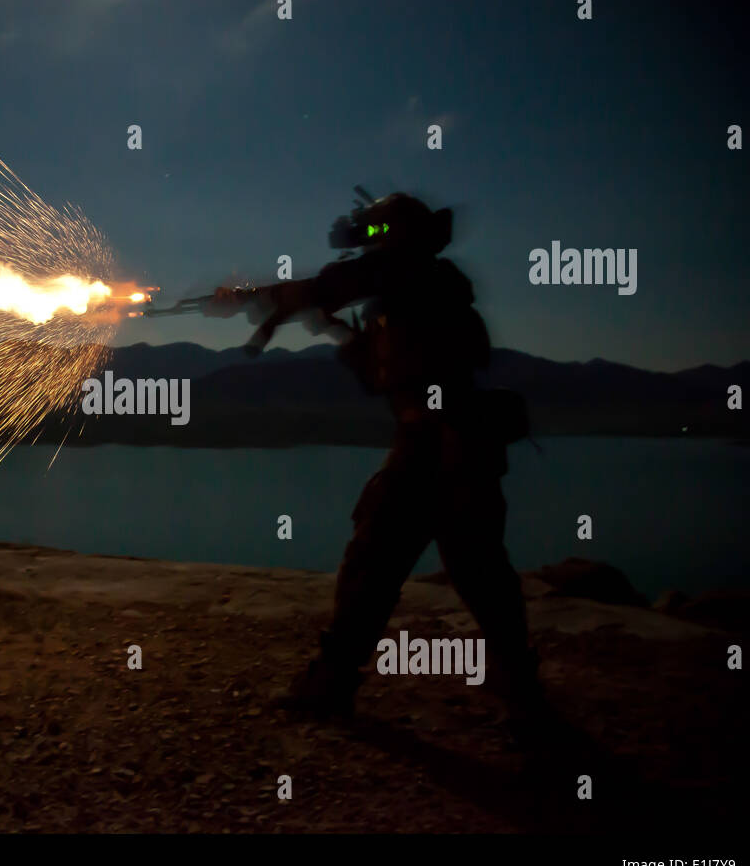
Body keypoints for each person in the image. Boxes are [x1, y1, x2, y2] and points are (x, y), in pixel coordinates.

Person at [214, 193, 546, 732]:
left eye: (376, 233)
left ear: (398, 236)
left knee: (421, 564)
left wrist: (264, 296)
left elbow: (334, 286)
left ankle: (339, 682)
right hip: (439, 443)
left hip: (444, 444)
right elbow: (381, 376)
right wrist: (337, 331)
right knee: (431, 564)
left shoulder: (412, 275)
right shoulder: (410, 289)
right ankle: (519, 699)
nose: (367, 245)